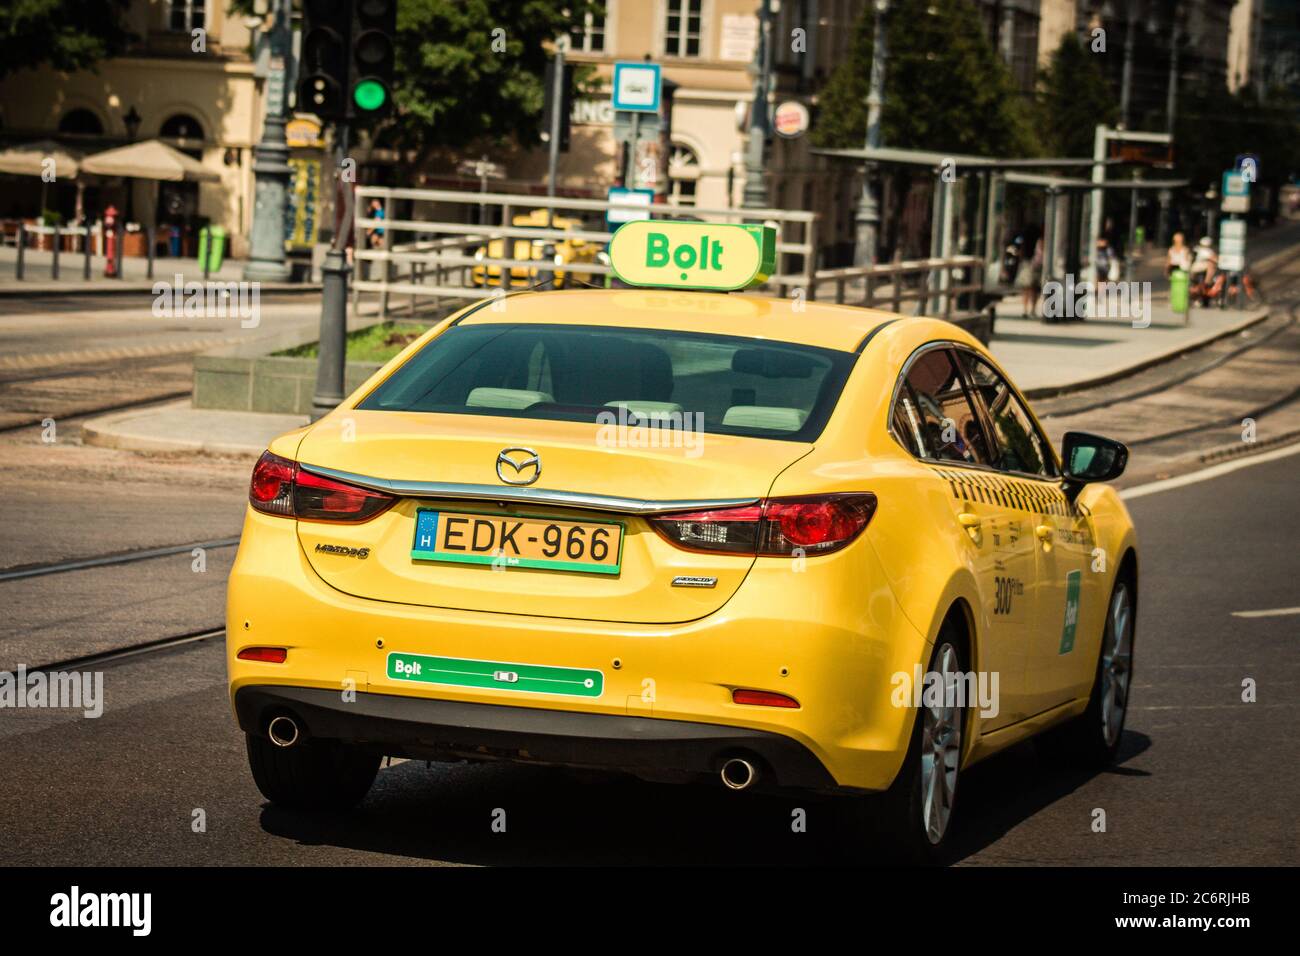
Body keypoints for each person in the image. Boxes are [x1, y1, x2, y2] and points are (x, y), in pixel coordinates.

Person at [1017, 235, 1044, 318]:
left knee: (1027, 288)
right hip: (1035, 265)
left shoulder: (1025, 238)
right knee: (1033, 289)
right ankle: (1032, 309)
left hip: (1028, 264)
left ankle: (1026, 309)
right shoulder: (1041, 239)